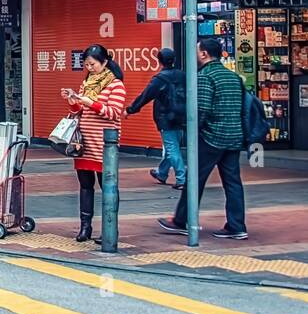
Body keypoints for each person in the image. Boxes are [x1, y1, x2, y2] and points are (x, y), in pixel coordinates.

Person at [159, 38, 248, 240]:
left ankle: (181, 220)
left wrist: (193, 133)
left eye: (197, 51)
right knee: (233, 182)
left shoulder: (206, 76)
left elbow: (202, 110)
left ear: (204, 54)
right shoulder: (233, 77)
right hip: (233, 137)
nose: (195, 55)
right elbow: (243, 108)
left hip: (211, 137)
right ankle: (237, 225)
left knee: (194, 179)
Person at [61, 43, 126, 243]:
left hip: (104, 145)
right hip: (84, 143)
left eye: (93, 64)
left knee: (108, 186)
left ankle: (109, 228)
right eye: (87, 65)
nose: (89, 68)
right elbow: (77, 111)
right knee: (85, 185)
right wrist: (72, 99)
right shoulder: (86, 83)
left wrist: (91, 103)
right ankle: (85, 227)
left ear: (104, 62)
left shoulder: (116, 85)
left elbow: (114, 112)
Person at [126, 47, 186, 189]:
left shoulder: (160, 79)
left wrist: (131, 109)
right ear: (174, 60)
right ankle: (162, 173)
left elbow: (145, 96)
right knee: (173, 147)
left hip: (166, 118)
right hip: (183, 116)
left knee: (171, 148)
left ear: (159, 61)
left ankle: (181, 179)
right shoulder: (183, 76)